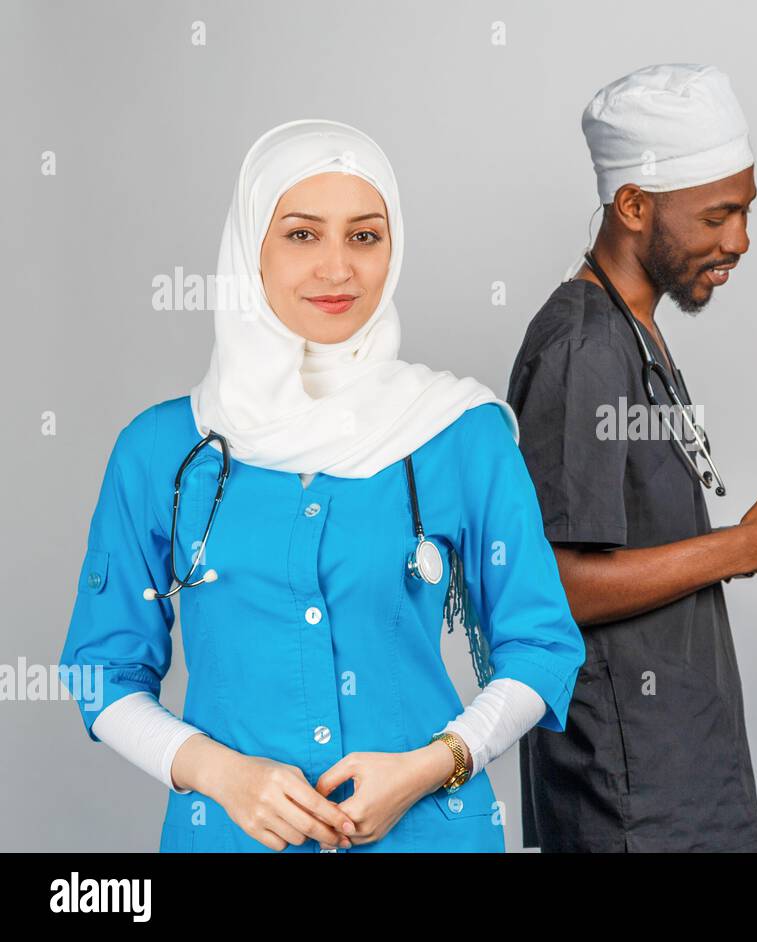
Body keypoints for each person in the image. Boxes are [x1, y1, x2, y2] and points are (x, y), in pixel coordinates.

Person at [60, 119, 585, 853]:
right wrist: (219, 774)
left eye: (364, 237)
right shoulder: (161, 450)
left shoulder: (459, 431)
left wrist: (429, 767)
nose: (338, 269)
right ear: (252, 248)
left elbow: (542, 647)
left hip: (430, 834)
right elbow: (99, 673)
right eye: (303, 235)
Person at [508, 64, 757, 852]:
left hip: (677, 769)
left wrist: (738, 541)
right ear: (634, 205)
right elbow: (561, 584)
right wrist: (741, 549)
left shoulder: (633, 331)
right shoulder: (585, 348)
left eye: (746, 211)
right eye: (717, 216)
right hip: (624, 789)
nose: (739, 241)